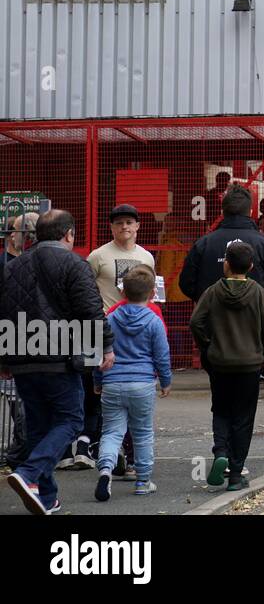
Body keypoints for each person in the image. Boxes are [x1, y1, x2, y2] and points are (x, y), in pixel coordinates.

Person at [0, 210, 115, 515]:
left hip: (21, 355)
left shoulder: (13, 267)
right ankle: (28, 473)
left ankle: (46, 497)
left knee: (39, 424)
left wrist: (5, 356)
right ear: (68, 235)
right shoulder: (74, 264)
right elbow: (90, 310)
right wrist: (105, 347)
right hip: (59, 357)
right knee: (71, 420)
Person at [189, 240, 264, 492]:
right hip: (249, 365)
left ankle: (220, 453)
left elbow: (196, 322)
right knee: (243, 418)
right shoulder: (258, 292)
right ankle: (236, 474)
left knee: (221, 410)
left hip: (220, 364)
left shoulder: (214, 291)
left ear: (226, 263)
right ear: (250, 266)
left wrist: (208, 345)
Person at [74, 204, 155, 470]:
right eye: (119, 223)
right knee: (99, 390)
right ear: (111, 227)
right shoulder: (98, 256)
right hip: (104, 329)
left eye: (130, 222)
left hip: (136, 332)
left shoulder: (146, 257)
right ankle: (100, 444)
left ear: (138, 226)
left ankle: (121, 449)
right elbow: (85, 289)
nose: (125, 227)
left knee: (131, 389)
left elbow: (153, 293)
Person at [93, 266, 171, 501]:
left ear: (123, 292)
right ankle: (143, 481)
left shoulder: (111, 318)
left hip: (113, 382)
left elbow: (100, 352)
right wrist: (166, 380)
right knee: (143, 433)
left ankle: (105, 469)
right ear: (151, 293)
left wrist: (98, 380)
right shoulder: (154, 321)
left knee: (112, 432)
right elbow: (162, 355)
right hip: (142, 383)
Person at [179, 184, 264, 302]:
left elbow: (186, 283)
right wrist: (259, 304)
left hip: (213, 316)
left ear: (223, 212)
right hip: (252, 317)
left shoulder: (203, 244)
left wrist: (206, 301)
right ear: (250, 212)